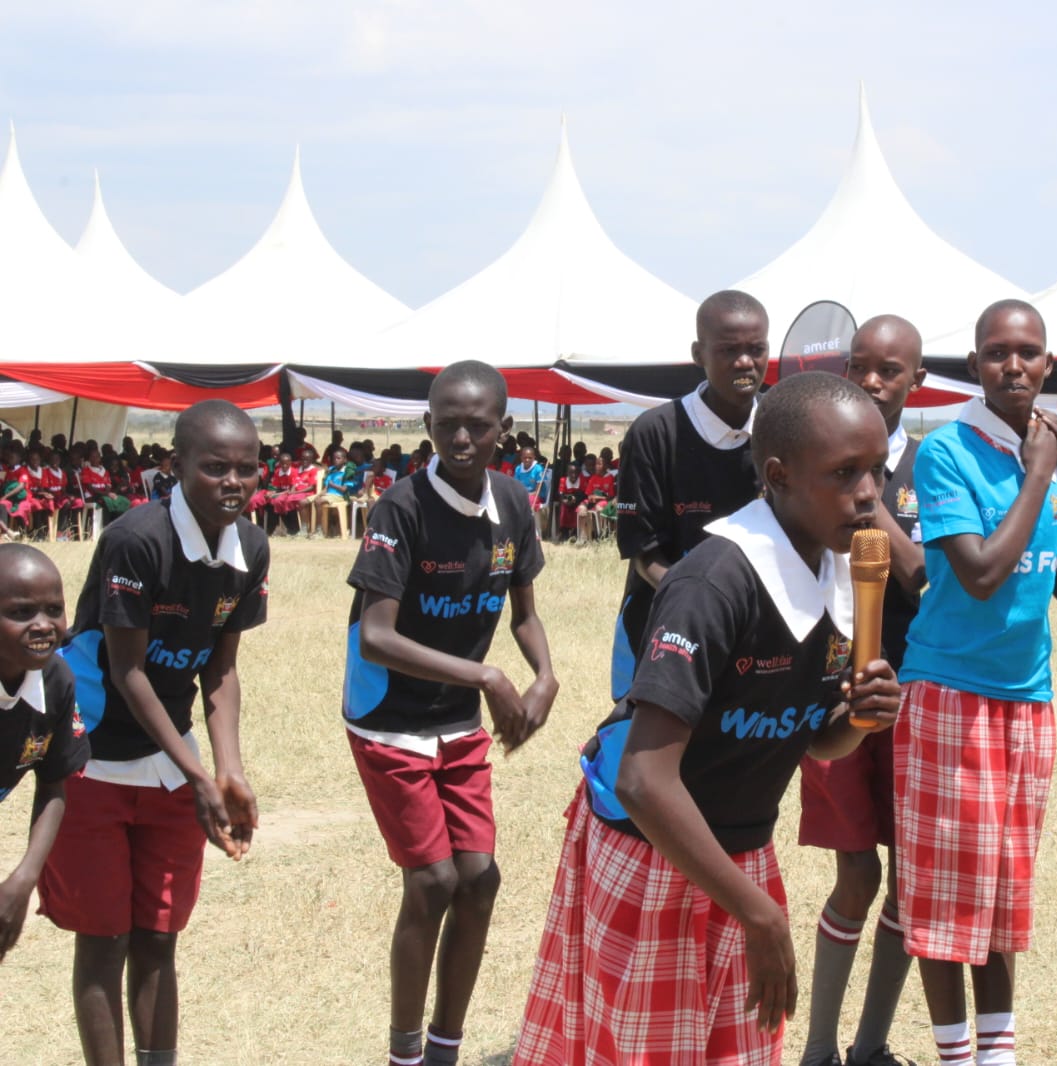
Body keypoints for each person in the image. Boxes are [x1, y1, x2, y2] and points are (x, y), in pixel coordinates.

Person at [513, 371, 900, 1066]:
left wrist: (858, 721)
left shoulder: (838, 571)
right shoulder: (712, 583)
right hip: (657, 853)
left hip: (741, 856)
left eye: (876, 469)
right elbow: (643, 779)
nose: (869, 493)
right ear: (777, 475)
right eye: (844, 473)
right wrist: (756, 911)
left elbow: (814, 742)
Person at [896, 299, 1057, 1066]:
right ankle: (955, 1054)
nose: (1014, 365)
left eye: (1029, 352)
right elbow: (979, 574)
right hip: (948, 691)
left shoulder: (1052, 451)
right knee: (946, 896)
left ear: (1049, 364)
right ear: (974, 364)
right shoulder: (947, 450)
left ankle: (997, 1053)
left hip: (1027, 695)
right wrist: (1041, 473)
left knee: (1005, 895)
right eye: (995, 352)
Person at [39, 400, 269, 1066]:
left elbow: (220, 671)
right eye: (215, 467)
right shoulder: (136, 539)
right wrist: (201, 778)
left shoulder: (250, 548)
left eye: (247, 470)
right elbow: (128, 670)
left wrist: (227, 769)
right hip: (91, 762)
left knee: (159, 938)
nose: (233, 482)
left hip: (172, 768)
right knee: (104, 941)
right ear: (175, 468)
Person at [344, 360, 559, 1066]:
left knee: (480, 879)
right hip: (388, 718)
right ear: (427, 424)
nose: (461, 437)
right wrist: (488, 675)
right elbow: (376, 636)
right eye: (446, 424)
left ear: (504, 427)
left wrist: (545, 676)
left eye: (477, 424)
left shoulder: (512, 503)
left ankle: (445, 1047)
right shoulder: (400, 508)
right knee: (432, 881)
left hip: (457, 723)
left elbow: (523, 610)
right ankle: (404, 1054)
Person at [797, 316, 927, 1066]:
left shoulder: (930, 467)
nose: (873, 382)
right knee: (857, 872)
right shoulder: (818, 460)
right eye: (860, 367)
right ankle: (817, 1048)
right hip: (836, 688)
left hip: (913, 694)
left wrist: (871, 499)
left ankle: (869, 1046)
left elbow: (930, 580)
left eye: (890, 370)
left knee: (910, 880)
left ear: (915, 380)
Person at [609, 290, 768, 700]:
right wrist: (709, 605)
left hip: (760, 634)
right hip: (664, 625)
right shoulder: (655, 432)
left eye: (756, 349)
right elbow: (645, 553)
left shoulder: (782, 428)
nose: (745, 362)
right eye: (729, 350)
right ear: (699, 354)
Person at [0, 545, 88, 963]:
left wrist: (25, 877)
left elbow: (54, 782)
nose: (43, 625)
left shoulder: (55, 680)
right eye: (20, 612)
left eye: (54, 609)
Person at [574, 457, 616, 546]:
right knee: (581, 508)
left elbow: (610, 497)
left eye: (599, 464)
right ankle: (582, 538)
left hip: (604, 501)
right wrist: (592, 497)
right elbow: (588, 494)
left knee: (599, 507)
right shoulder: (593, 478)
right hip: (591, 501)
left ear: (605, 466)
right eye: (596, 464)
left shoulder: (610, 478)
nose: (596, 466)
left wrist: (598, 497)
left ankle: (600, 535)